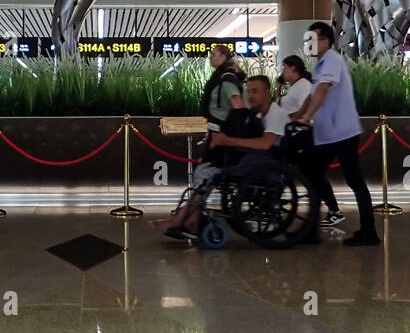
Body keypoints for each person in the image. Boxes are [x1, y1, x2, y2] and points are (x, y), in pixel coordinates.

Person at [154, 74, 284, 239]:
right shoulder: (257, 116)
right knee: (204, 170)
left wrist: (228, 141)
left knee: (207, 173)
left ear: (267, 91)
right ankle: (190, 219)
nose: (250, 96)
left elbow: (265, 144)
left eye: (255, 91)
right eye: (248, 92)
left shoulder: (275, 114)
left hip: (263, 165)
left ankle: (185, 219)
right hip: (251, 161)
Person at [292, 21, 380, 246]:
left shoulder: (332, 60)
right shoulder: (321, 64)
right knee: (313, 175)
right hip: (327, 134)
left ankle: (369, 232)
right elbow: (313, 96)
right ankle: (311, 231)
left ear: (325, 41)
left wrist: (306, 117)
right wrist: (296, 116)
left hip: (342, 134)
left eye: (311, 39)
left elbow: (322, 91)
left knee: (353, 180)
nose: (308, 43)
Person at [279, 55, 344, 227]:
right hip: (299, 137)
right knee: (309, 173)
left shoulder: (304, 86)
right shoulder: (296, 87)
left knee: (313, 174)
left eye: (284, 67)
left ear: (294, 68)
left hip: (306, 137)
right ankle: (330, 210)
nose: (282, 71)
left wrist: (294, 119)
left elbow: (306, 110)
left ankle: (333, 210)